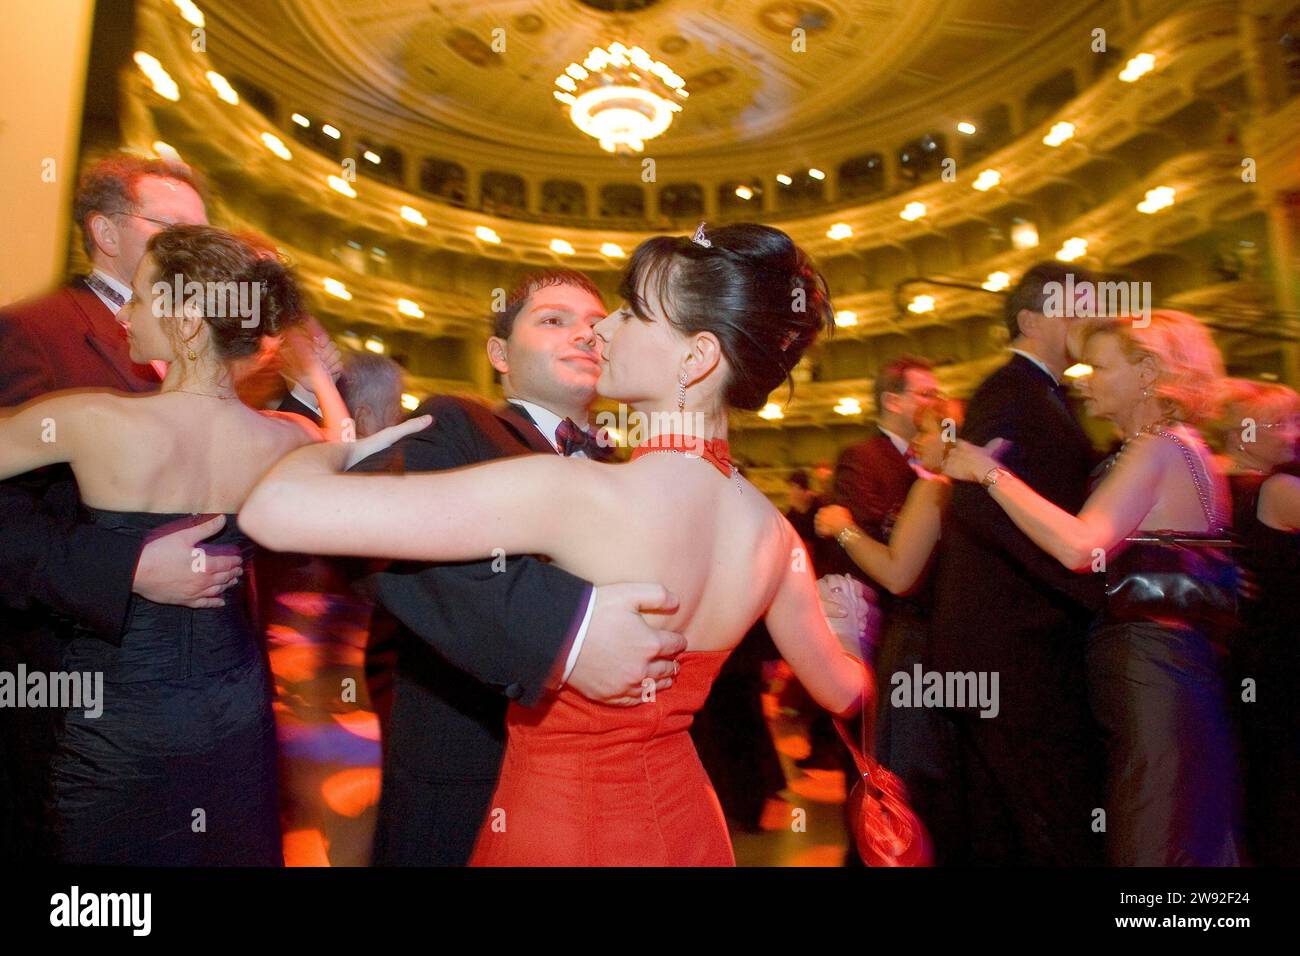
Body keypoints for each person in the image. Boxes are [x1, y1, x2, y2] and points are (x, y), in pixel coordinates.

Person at [241, 223, 869, 866]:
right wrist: (853, 635)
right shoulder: (775, 534)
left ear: (696, 358)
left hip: (560, 830)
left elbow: (271, 511)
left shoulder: (577, 492)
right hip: (688, 826)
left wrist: (339, 445)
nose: (604, 331)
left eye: (631, 313)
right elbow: (844, 690)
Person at [0, 224, 344, 863]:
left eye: (137, 297)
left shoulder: (93, 420)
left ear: (187, 320)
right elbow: (343, 448)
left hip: (122, 720)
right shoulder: (290, 438)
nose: (125, 314)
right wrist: (319, 380)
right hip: (239, 713)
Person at [347, 268, 692, 866]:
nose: (585, 336)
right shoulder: (457, 423)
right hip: (472, 761)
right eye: (553, 320)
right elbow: (382, 531)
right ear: (500, 354)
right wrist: (570, 634)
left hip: (597, 776)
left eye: (595, 325)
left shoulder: (630, 466)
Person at [0, 155, 242, 862]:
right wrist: (127, 566)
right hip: (72, 679)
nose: (199, 249)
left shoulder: (198, 349)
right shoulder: (33, 333)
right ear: (105, 231)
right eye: (173, 228)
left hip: (200, 691)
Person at [945, 309, 1242, 866]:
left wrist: (987, 473)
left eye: (1100, 367)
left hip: (1150, 671)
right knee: (1185, 828)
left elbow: (1083, 548)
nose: (1084, 379)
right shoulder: (1193, 448)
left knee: (1154, 833)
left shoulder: (1154, 446)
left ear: (1149, 373)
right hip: (1178, 669)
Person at [925, 262, 1105, 866]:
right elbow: (981, 500)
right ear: (1031, 321)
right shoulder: (1013, 392)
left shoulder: (1041, 394)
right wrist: (1087, 581)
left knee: (1015, 823)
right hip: (1014, 649)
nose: (1093, 315)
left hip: (1012, 649)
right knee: (1038, 820)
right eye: (1076, 304)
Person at [815, 399, 962, 860]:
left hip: (913, 647)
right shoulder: (969, 490)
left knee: (897, 783)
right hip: (941, 649)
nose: (916, 443)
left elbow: (898, 573)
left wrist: (843, 529)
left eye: (927, 432)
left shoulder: (935, 489)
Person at [1216, 378, 1300, 865]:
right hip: (1280, 663)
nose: (1291, 435)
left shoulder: (1208, 485)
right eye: (1278, 423)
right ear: (1240, 432)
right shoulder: (1279, 488)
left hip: (1237, 660)